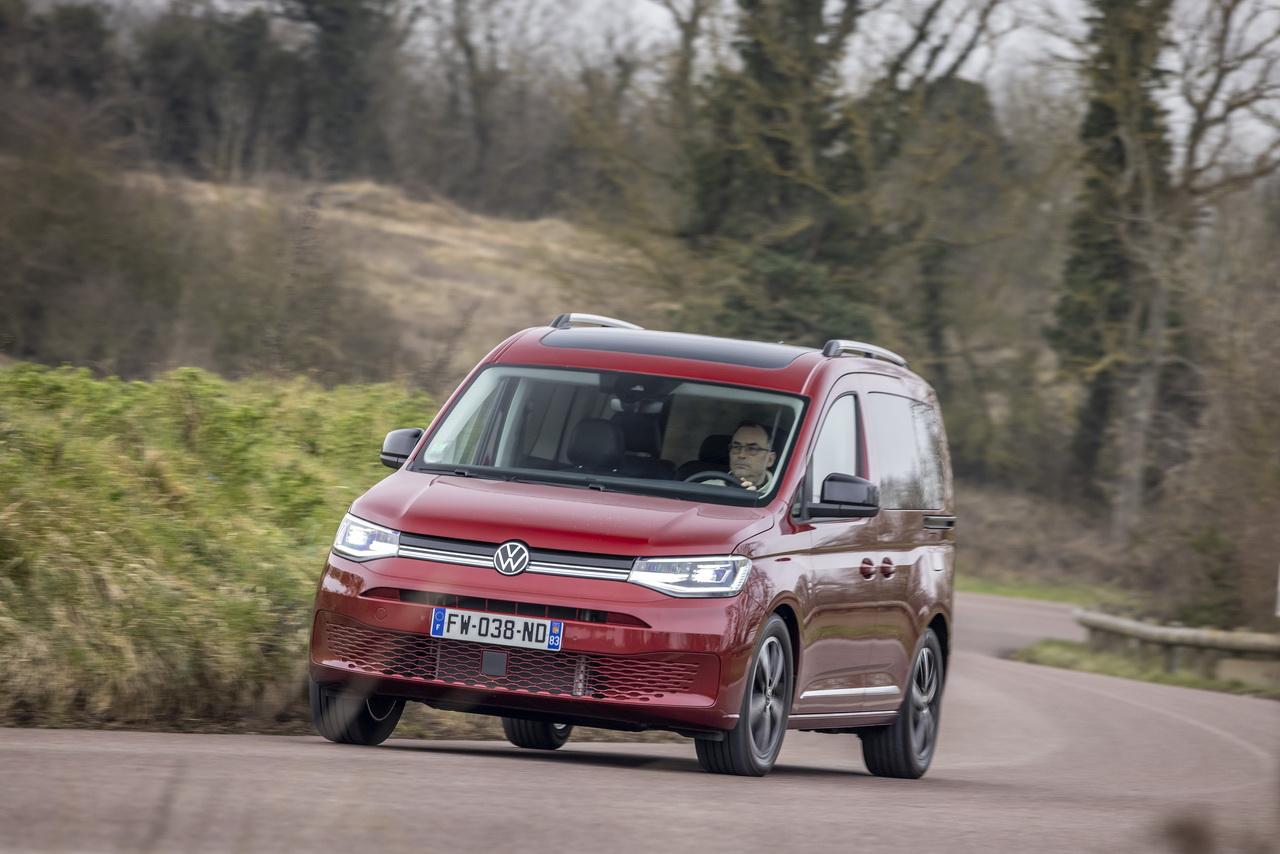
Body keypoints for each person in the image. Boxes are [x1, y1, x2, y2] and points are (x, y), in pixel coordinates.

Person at [727, 420, 777, 491]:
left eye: (752, 449)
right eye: (736, 447)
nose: (741, 455)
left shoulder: (784, 495)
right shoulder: (708, 487)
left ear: (770, 460)